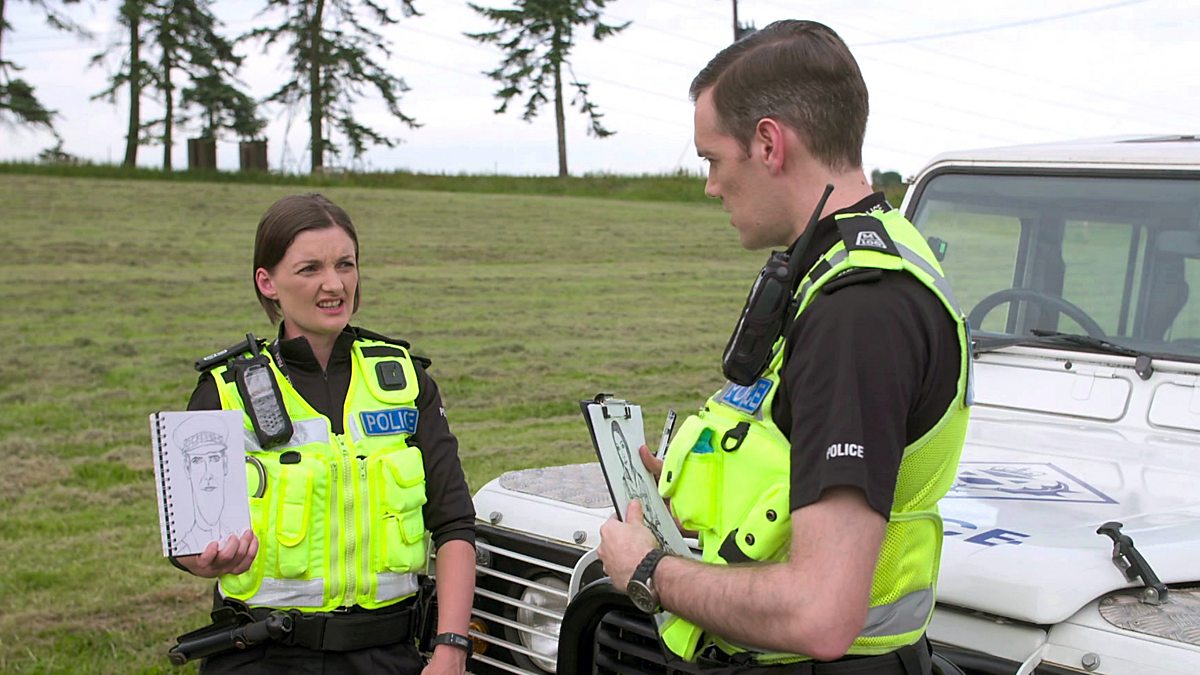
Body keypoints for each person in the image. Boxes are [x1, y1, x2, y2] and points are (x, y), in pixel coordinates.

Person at [598, 20, 970, 674]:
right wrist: (693, 488)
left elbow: (820, 611)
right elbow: (792, 445)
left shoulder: (860, 310)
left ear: (768, 143)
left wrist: (650, 569)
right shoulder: (850, 264)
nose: (711, 186)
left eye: (713, 160)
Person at [174, 193, 477, 675]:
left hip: (389, 653)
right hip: (263, 655)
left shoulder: (406, 381)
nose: (334, 284)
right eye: (310, 268)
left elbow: (455, 523)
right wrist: (201, 561)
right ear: (267, 281)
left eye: (345, 264)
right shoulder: (220, 392)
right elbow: (189, 541)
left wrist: (452, 649)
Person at [174, 414, 237, 553]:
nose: (207, 474)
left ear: (225, 464)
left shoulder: (237, 534)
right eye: (197, 461)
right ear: (187, 468)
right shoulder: (184, 547)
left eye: (214, 459)